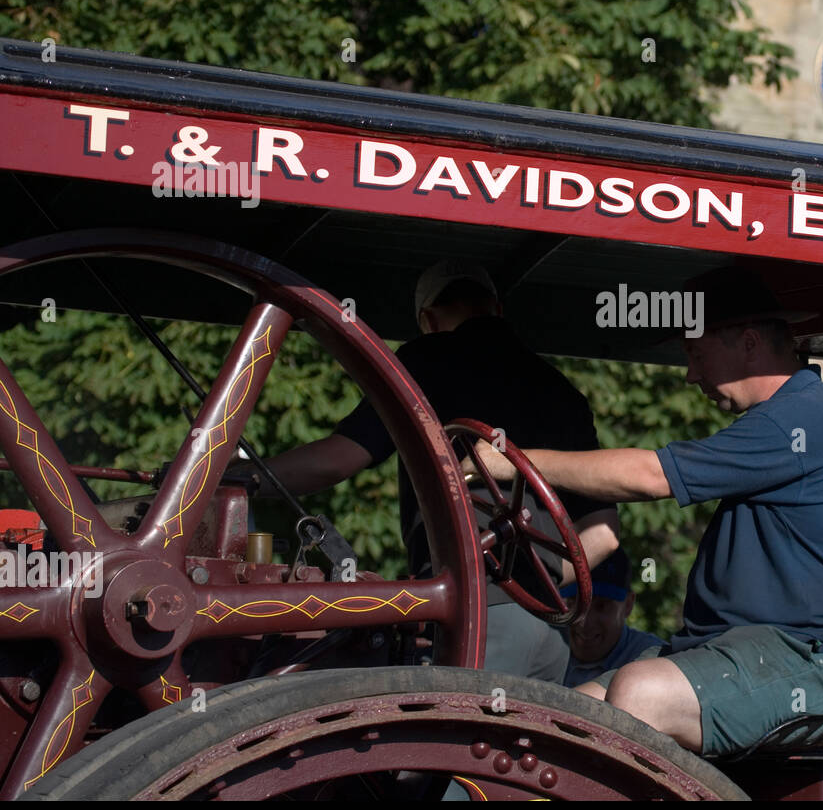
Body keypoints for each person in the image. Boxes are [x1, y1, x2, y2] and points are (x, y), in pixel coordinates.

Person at [471, 266, 823, 758]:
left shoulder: (800, 418)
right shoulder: (783, 419)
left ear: (749, 342)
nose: (691, 373)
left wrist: (516, 463)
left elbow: (651, 477)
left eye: (695, 352)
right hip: (729, 651)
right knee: (556, 719)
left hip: (813, 664)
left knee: (641, 693)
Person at [237, 258, 619, 683]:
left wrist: (232, 476)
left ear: (428, 319)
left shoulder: (427, 358)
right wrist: (534, 583)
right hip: (551, 634)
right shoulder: (561, 389)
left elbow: (340, 458)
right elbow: (603, 532)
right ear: (497, 308)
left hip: (474, 621)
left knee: (455, 744)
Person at [562, 547, 666, 688]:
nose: (585, 622)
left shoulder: (652, 661)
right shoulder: (543, 642)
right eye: (575, 602)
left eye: (601, 606)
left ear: (628, 605)